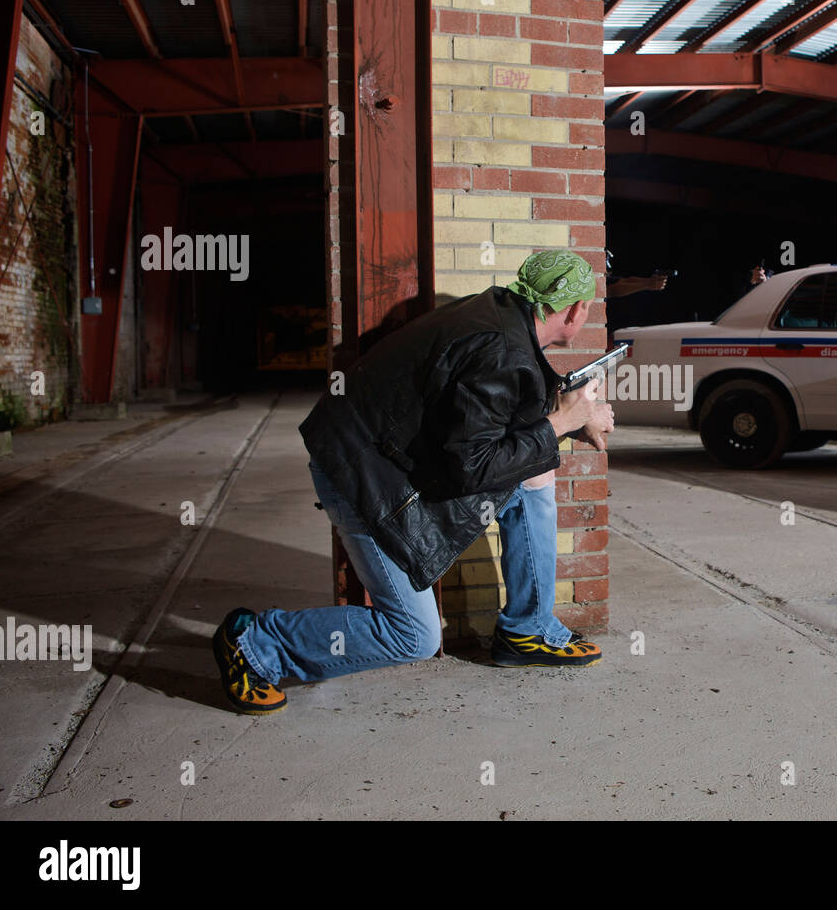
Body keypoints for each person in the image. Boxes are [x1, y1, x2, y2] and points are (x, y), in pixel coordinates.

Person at [212, 250, 615, 715]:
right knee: (414, 635)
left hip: (384, 454)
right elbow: (472, 463)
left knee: (534, 471)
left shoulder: (500, 309)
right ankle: (257, 644)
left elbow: (487, 409)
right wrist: (560, 423)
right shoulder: (503, 348)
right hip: (361, 474)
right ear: (573, 311)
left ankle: (528, 630)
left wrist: (565, 416)